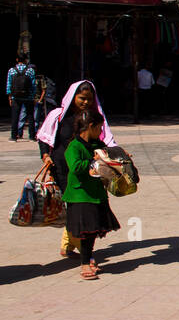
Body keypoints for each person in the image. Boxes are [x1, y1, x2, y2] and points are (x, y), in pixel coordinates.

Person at [39, 81, 119, 257]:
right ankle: (81, 250)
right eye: (82, 98)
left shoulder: (93, 118)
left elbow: (103, 140)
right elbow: (44, 139)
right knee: (75, 206)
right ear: (72, 96)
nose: (85, 102)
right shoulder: (57, 116)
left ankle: (69, 245)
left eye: (89, 99)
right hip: (62, 168)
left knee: (78, 207)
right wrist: (45, 156)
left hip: (88, 169)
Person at [62, 108, 121, 280]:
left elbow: (108, 155)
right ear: (90, 126)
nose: (101, 131)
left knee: (92, 231)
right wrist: (93, 160)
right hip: (80, 195)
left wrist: (119, 157)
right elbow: (76, 167)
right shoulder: (74, 146)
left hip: (96, 194)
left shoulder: (98, 145)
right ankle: (85, 263)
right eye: (99, 128)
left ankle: (87, 258)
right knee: (86, 232)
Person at [7, 55, 37, 141]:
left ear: (17, 60)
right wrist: (33, 96)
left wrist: (10, 97)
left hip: (15, 97)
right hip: (28, 97)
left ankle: (14, 136)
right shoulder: (30, 70)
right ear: (25, 60)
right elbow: (33, 85)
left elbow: (9, 84)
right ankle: (31, 136)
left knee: (15, 116)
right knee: (31, 116)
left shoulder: (11, 70)